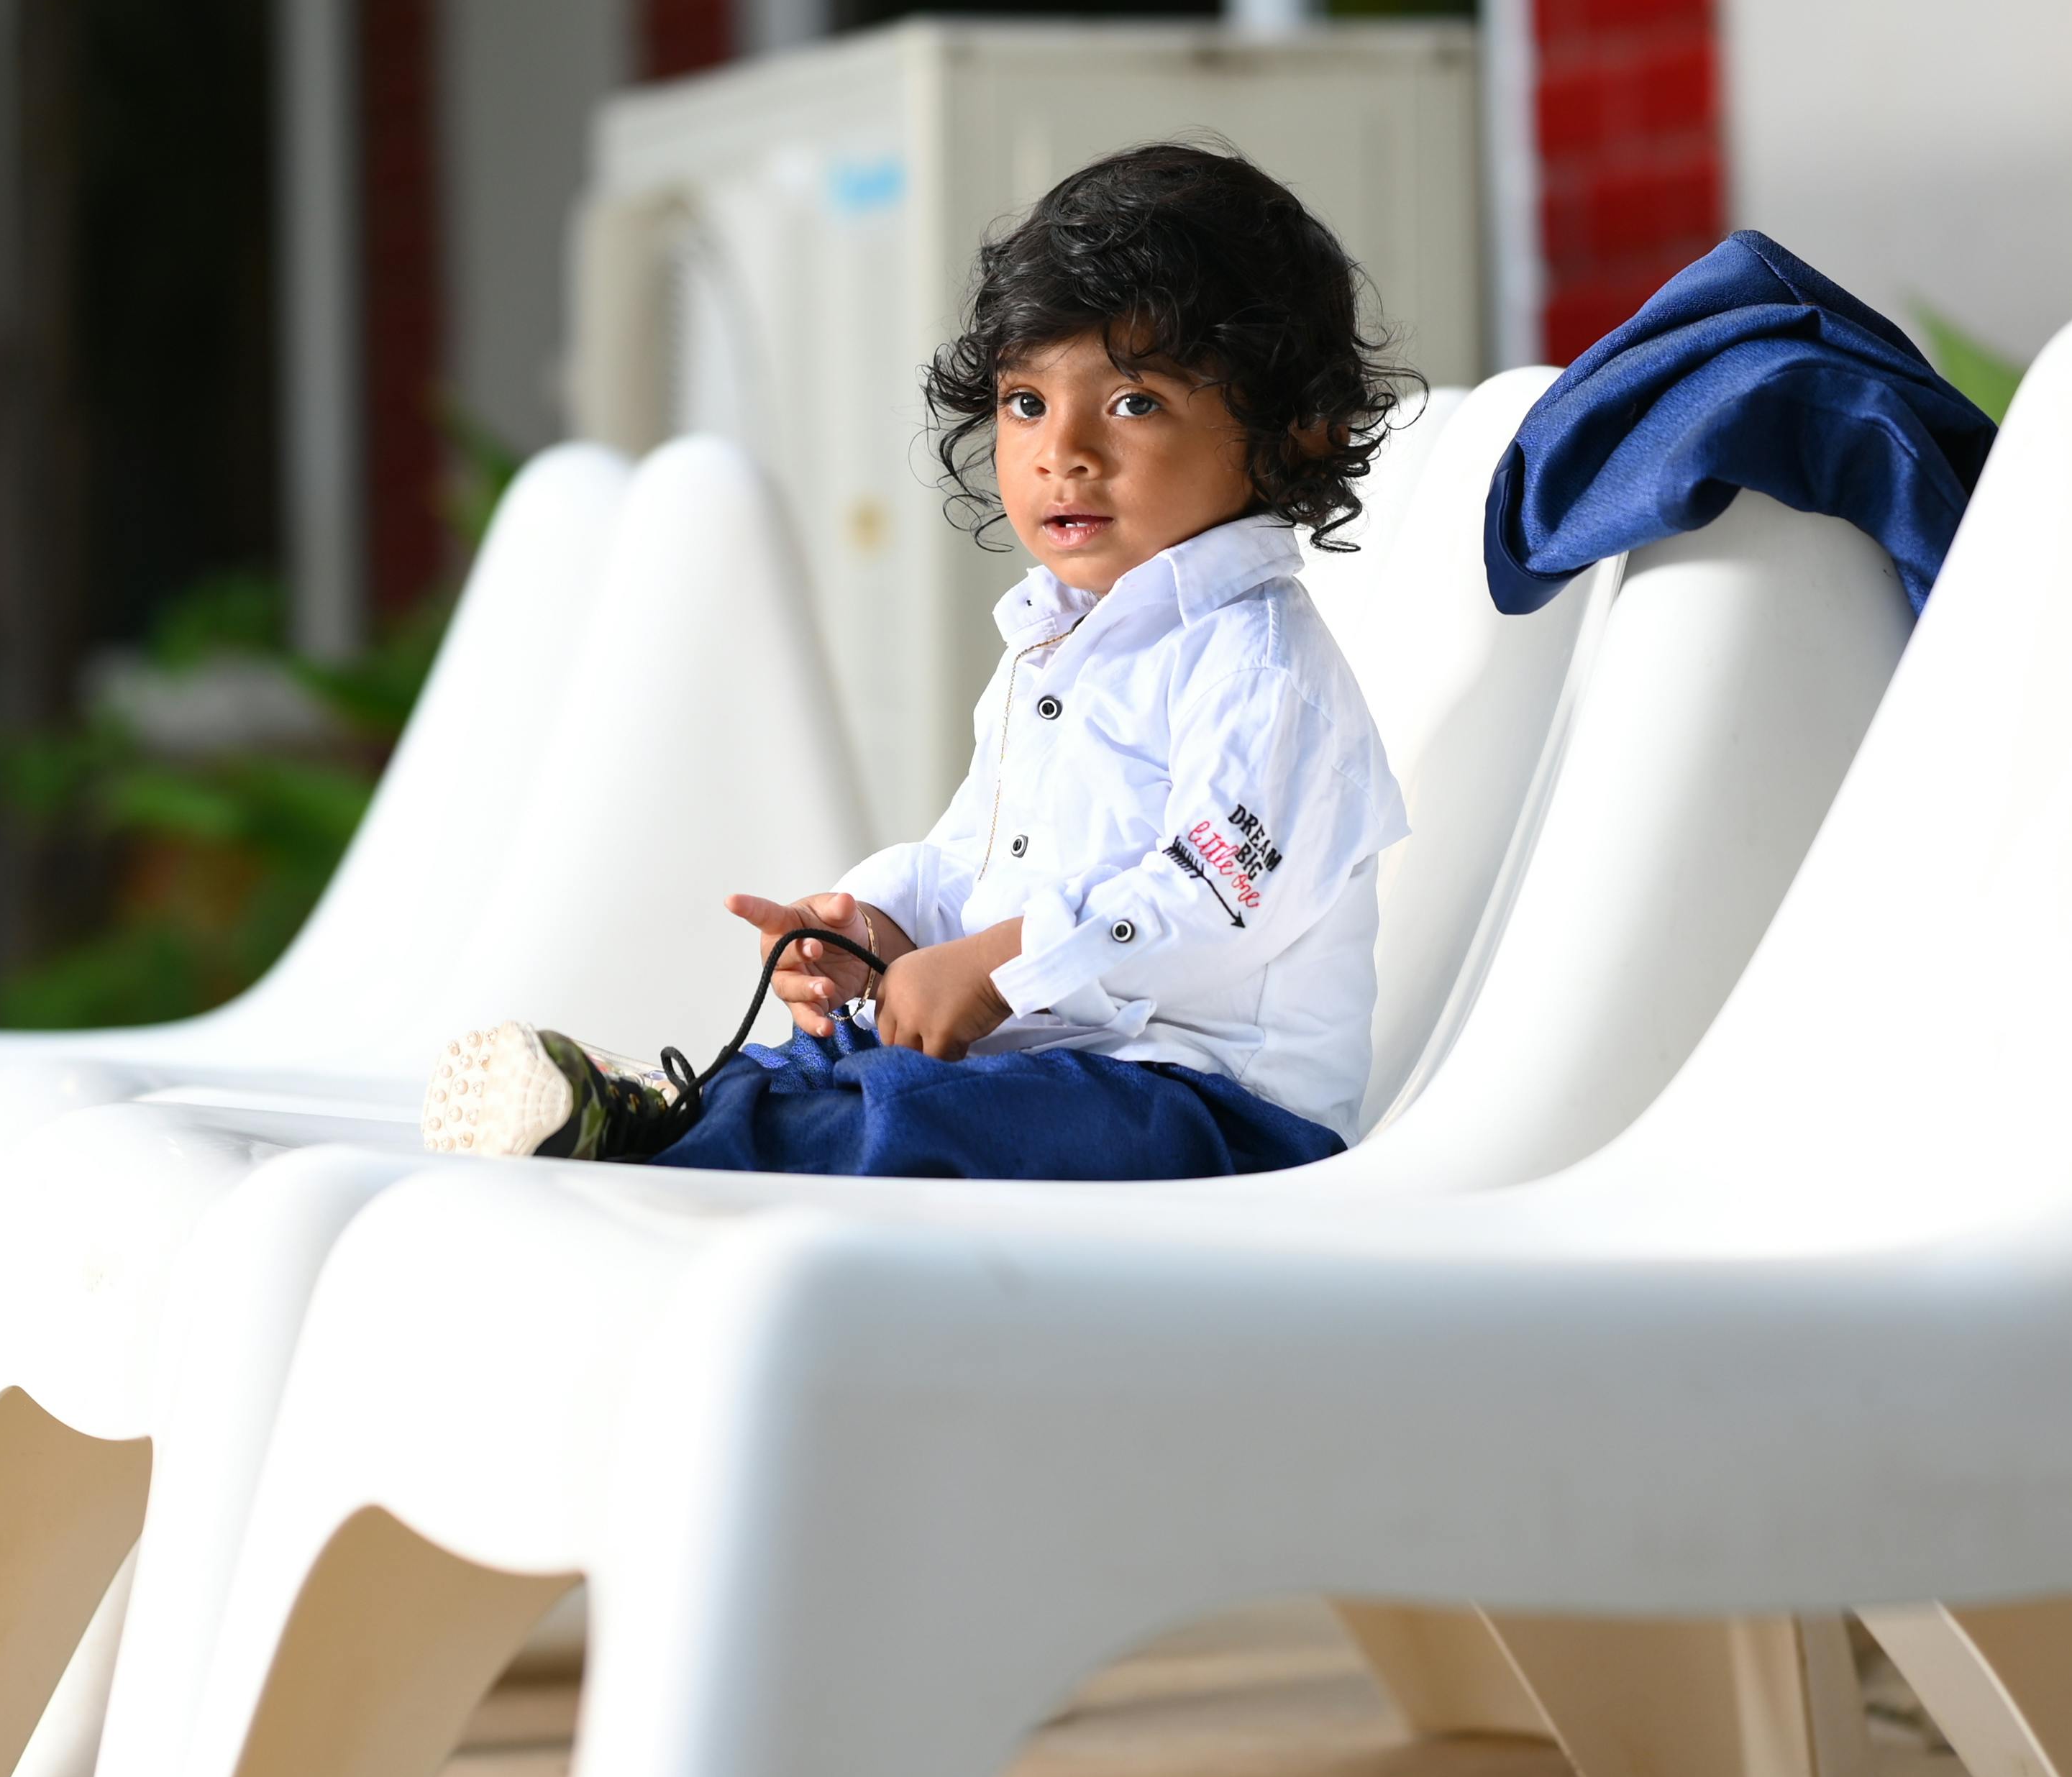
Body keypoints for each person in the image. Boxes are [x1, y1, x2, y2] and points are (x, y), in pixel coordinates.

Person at [422, 141, 1412, 1175]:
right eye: (1027, 402)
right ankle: (688, 1116)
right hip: (1054, 1066)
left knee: (915, 1117)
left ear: (1295, 431)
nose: (1061, 449)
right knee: (838, 1060)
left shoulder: (1257, 668)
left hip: (1208, 1107)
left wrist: (994, 970)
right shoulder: (1058, 639)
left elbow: (1211, 901)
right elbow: (974, 860)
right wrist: (875, 922)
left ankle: (674, 1141)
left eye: (1133, 403)